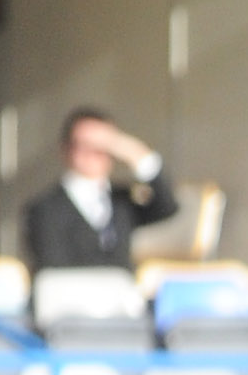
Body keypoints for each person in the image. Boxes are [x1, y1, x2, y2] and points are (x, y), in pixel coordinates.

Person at [22, 108, 179, 273]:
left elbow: (167, 206)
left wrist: (138, 156)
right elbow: (51, 264)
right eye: (84, 145)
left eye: (102, 147)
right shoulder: (44, 207)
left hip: (121, 294)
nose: (93, 153)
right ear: (66, 149)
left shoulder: (122, 200)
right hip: (71, 294)